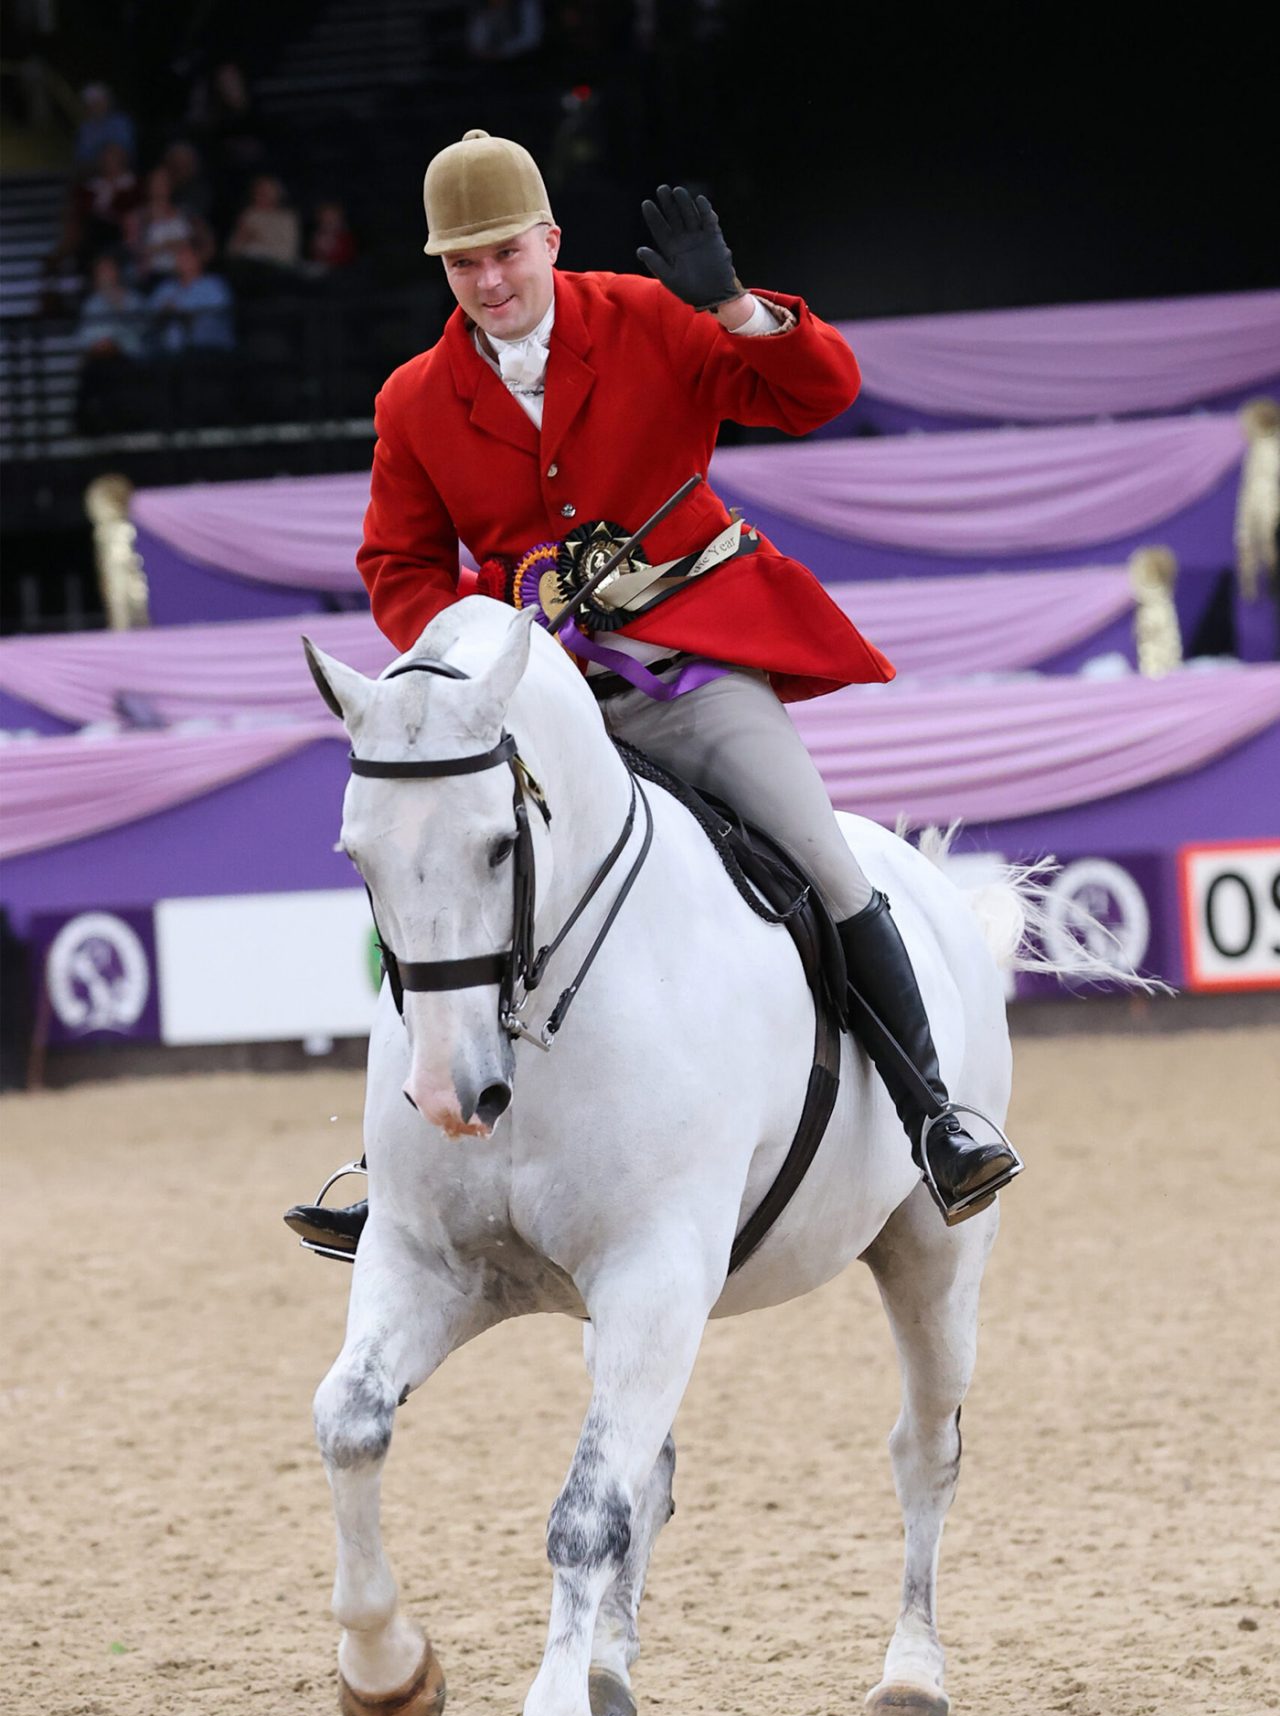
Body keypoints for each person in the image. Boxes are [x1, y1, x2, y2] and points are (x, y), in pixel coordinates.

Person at [285, 129, 1020, 1256]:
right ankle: (401, 1174)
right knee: (431, 889)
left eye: (505, 254)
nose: (488, 281)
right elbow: (398, 567)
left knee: (823, 859)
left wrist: (733, 307)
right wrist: (480, 657)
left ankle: (936, 1119)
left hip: (690, 673)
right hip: (535, 709)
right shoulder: (415, 399)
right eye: (462, 263)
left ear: (550, 240)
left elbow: (819, 392)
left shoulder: (648, 317)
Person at [145, 241, 235, 353]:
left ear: (198, 259)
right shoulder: (166, 287)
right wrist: (163, 312)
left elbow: (216, 311)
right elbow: (148, 313)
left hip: (209, 349)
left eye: (187, 257)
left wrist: (178, 310)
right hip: (170, 352)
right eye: (179, 257)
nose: (182, 261)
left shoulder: (213, 285)